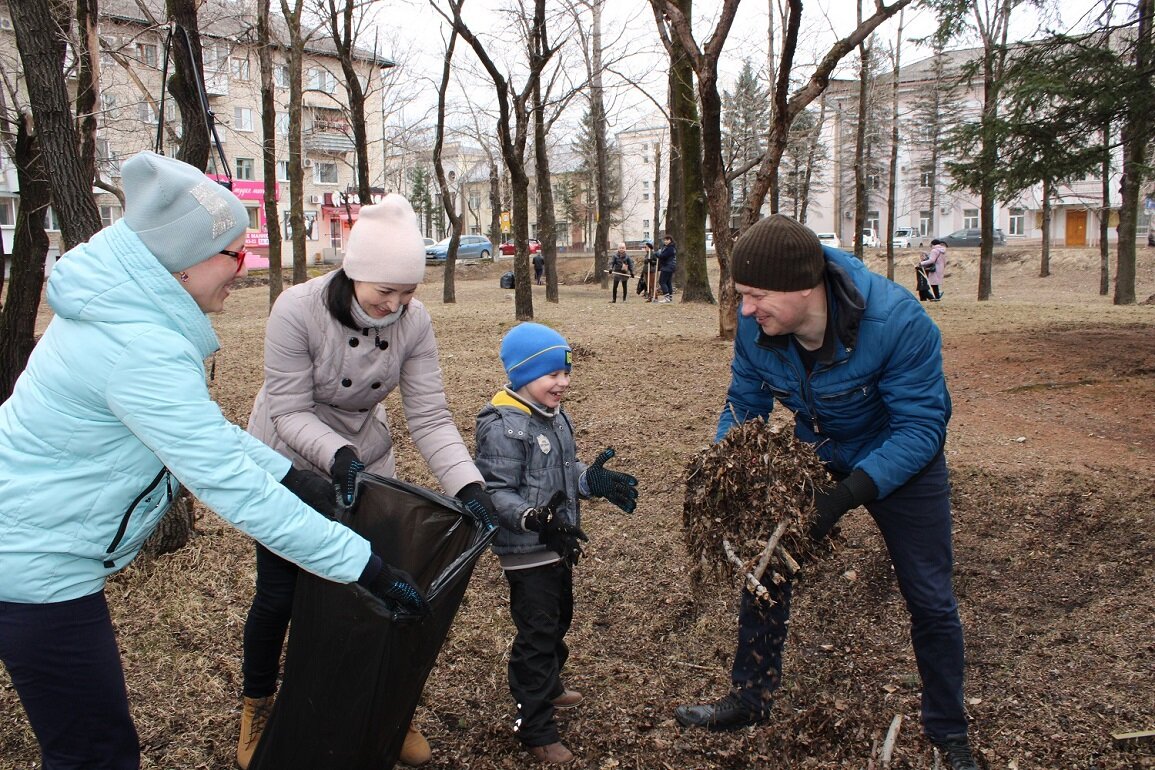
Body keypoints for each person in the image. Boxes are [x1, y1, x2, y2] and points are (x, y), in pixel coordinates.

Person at [0, 151, 425, 770]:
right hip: (33, 560)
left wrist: (291, 475)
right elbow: (228, 487)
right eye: (233, 251)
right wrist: (365, 567)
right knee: (94, 753)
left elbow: (208, 438)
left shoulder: (130, 319)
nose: (244, 264)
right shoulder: (140, 347)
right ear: (183, 263)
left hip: (29, 537)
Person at [673, 215, 979, 770]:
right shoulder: (756, 330)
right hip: (819, 447)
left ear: (804, 288)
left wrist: (839, 501)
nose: (746, 311)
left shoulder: (896, 321)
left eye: (757, 296)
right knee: (767, 562)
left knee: (930, 597)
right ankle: (751, 695)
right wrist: (726, 467)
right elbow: (745, 404)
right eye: (742, 296)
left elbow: (921, 429)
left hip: (899, 456)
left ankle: (949, 732)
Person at [239, 194, 497, 769]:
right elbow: (286, 409)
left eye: (408, 293)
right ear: (354, 272)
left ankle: (386, 710)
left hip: (366, 464)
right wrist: (336, 458)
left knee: (370, 594)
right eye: (386, 291)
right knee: (280, 594)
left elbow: (429, 416)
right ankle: (258, 705)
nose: (396, 305)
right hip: (290, 462)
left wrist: (468, 488)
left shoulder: (415, 321)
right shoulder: (296, 309)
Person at [474, 323, 639, 765]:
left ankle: (549, 682)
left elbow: (560, 474)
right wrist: (531, 517)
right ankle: (535, 726)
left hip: (557, 542)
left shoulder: (551, 414)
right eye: (552, 374)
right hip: (526, 548)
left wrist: (590, 479)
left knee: (560, 616)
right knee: (539, 630)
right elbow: (495, 491)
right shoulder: (504, 427)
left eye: (567, 373)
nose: (563, 382)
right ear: (524, 373)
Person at [655, 234, 677, 303]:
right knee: (668, 282)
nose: (666, 241)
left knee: (662, 281)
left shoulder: (670, 248)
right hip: (669, 267)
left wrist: (657, 254)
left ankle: (666, 297)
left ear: (670, 240)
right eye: (665, 240)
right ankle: (670, 297)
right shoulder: (667, 247)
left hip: (667, 267)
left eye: (667, 240)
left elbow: (663, 256)